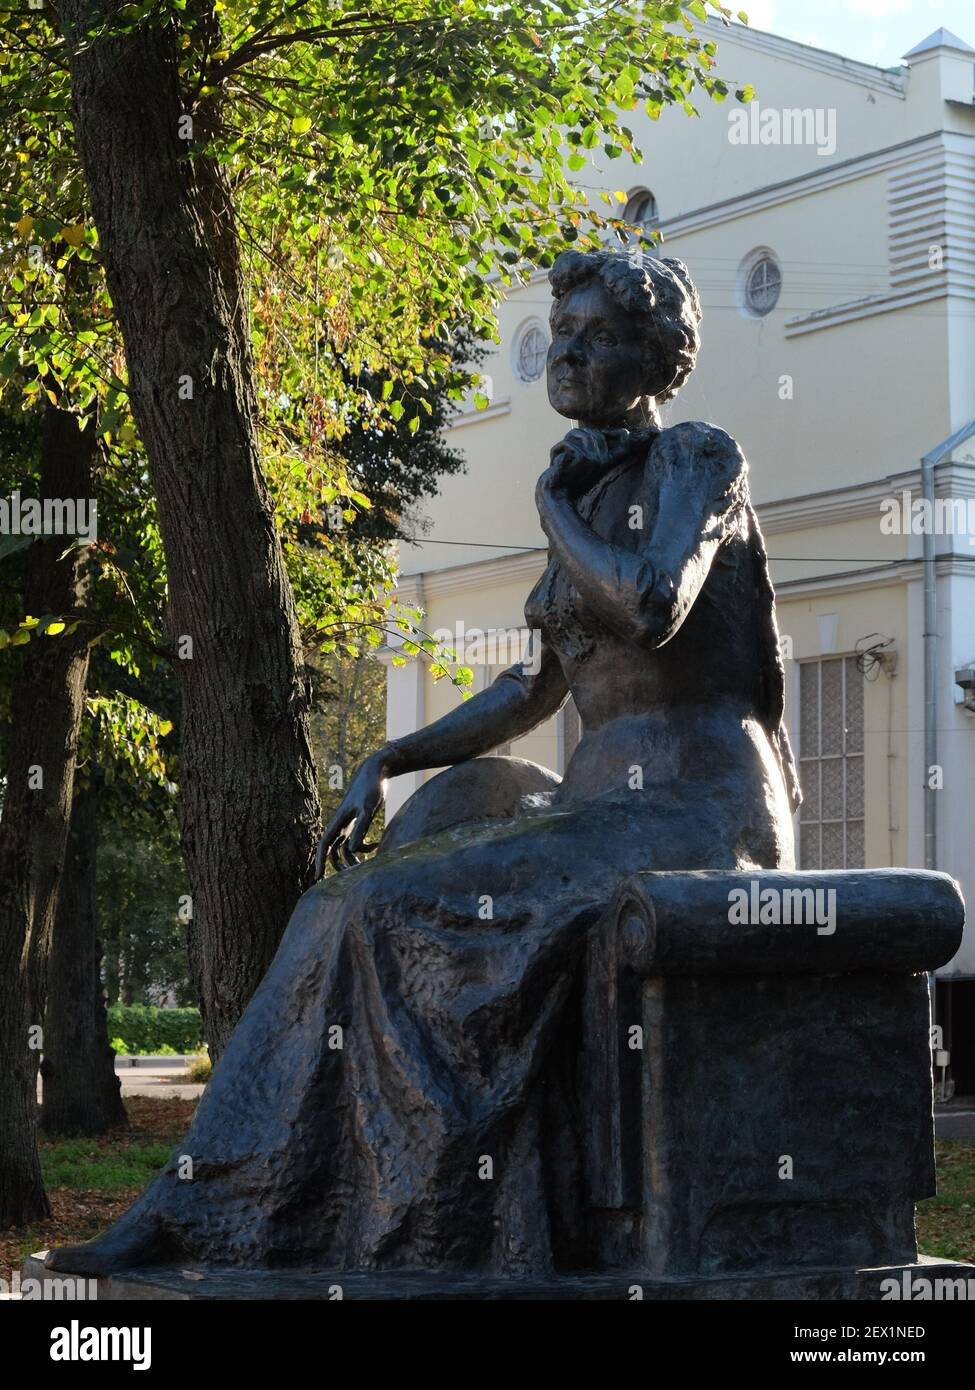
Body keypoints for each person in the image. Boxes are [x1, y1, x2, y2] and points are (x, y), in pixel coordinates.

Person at [48, 248, 798, 1279]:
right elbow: (533, 689)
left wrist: (553, 512)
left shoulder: (697, 460)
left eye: (602, 337)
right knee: (352, 893)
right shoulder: (584, 489)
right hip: (600, 811)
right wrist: (389, 757)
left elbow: (652, 605)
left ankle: (423, 1219)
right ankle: (224, 1204)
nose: (571, 350)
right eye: (563, 331)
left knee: (366, 911)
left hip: (699, 813)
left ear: (660, 363)